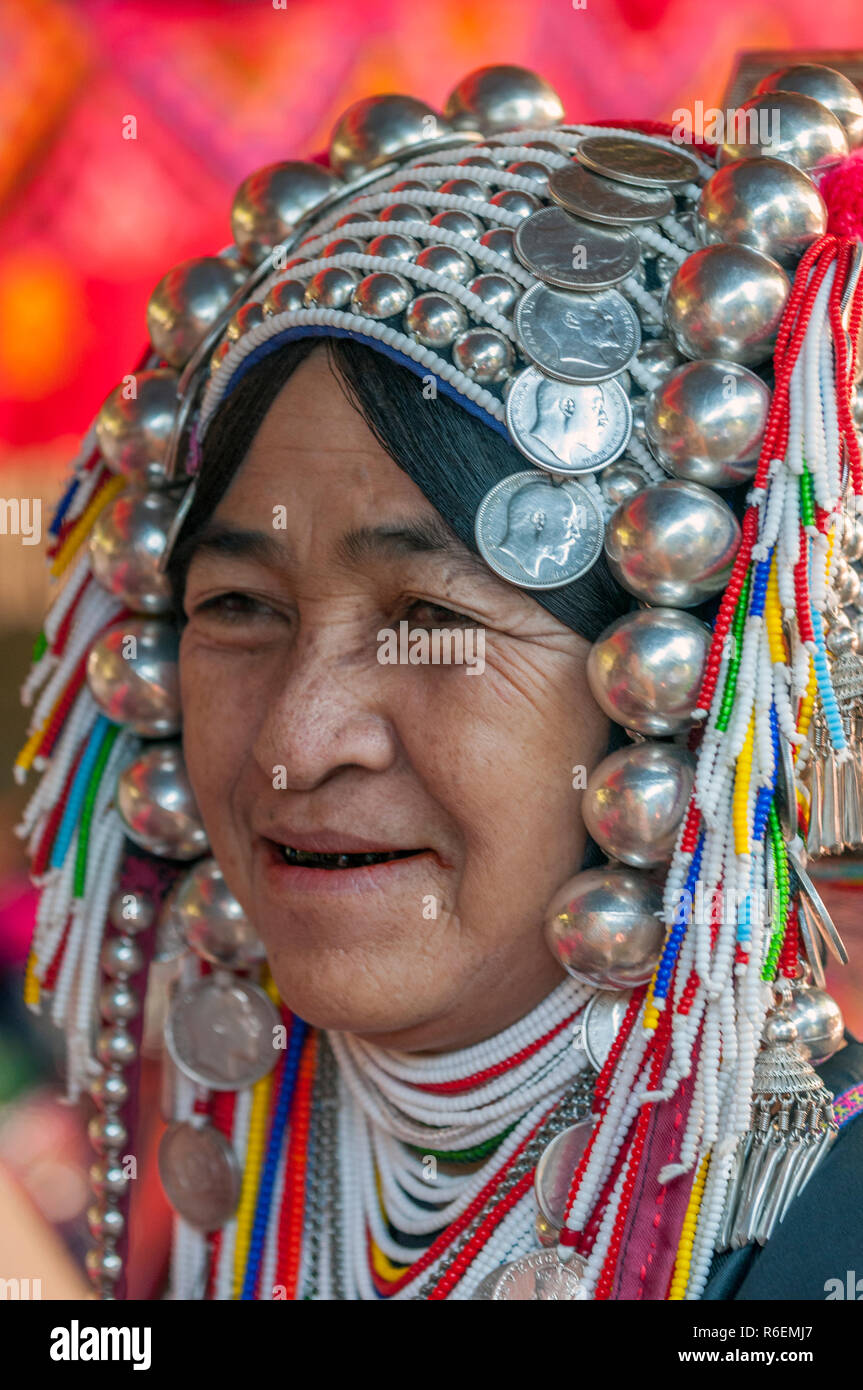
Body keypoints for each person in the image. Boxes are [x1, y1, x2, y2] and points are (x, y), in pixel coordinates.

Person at [14, 61, 863, 1301]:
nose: (296, 743)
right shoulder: (186, 1196)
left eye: (428, 617)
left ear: (682, 694)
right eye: (239, 607)